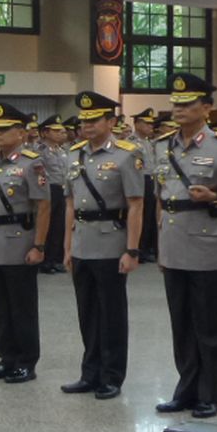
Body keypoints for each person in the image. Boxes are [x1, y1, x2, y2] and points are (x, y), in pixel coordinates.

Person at [152, 74, 217, 419]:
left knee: (209, 326)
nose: (179, 109)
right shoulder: (162, 146)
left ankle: (209, 394)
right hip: (173, 244)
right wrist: (160, 244)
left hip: (208, 246)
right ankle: (186, 390)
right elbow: (161, 198)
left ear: (207, 107)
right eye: (176, 103)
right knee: (181, 324)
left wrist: (215, 196)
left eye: (187, 104)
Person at [61, 91, 144, 401]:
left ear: (110, 122)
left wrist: (132, 250)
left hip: (111, 243)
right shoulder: (74, 154)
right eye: (84, 121)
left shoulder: (126, 154)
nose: (87, 126)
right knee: (87, 313)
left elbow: (136, 205)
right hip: (82, 243)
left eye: (94, 120)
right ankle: (90, 373)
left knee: (111, 314)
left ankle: (111, 376)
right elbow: (70, 205)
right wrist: (67, 247)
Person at [0, 104, 51, 384]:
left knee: (22, 307)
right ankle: (6, 358)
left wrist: (39, 246)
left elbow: (43, 207)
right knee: (1, 306)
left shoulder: (32, 163)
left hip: (20, 242)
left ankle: (26, 361)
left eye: (4, 129)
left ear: (21, 133)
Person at [37, 115, 69, 274]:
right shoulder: (40, 151)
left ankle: (55, 259)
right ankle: (45, 261)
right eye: (55, 131)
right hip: (49, 189)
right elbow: (40, 173)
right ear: (45, 133)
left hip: (62, 189)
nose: (59, 134)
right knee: (47, 226)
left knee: (59, 226)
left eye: (60, 131)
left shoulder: (62, 150)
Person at [131, 107, 160, 263]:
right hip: (139, 180)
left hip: (151, 180)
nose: (150, 126)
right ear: (137, 124)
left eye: (151, 124)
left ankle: (147, 247)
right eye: (146, 123)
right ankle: (139, 249)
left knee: (150, 216)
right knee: (140, 215)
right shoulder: (130, 142)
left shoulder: (149, 142)